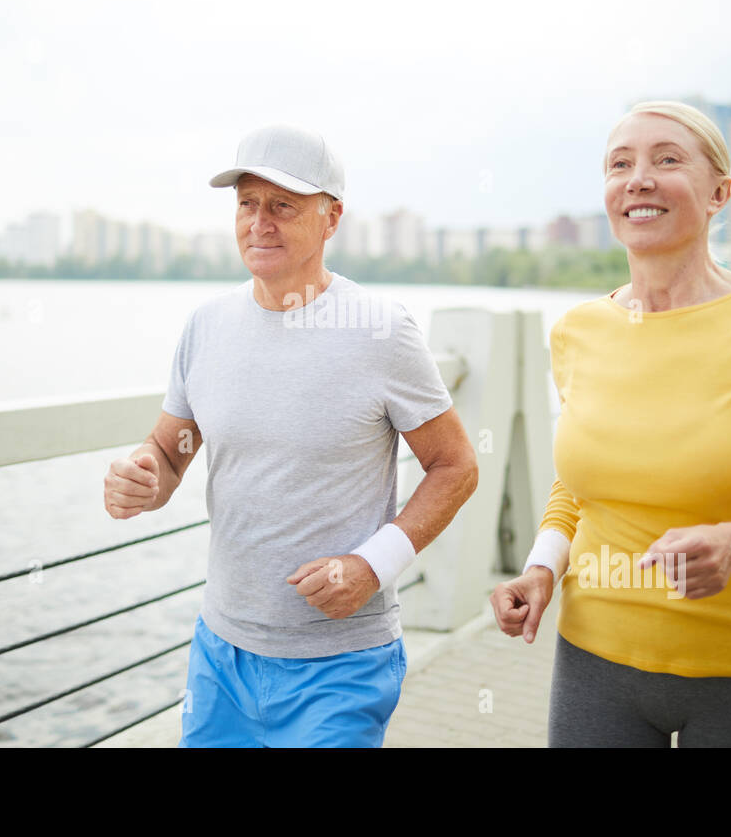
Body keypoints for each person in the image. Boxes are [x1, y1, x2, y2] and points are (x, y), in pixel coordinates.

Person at [490, 101, 731, 747]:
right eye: (619, 164)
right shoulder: (579, 332)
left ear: (721, 192)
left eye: (667, 160)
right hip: (593, 665)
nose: (638, 178)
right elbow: (576, 489)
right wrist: (540, 568)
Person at [104, 123, 478, 747]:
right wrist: (141, 474)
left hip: (341, 665)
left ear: (331, 219)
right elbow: (175, 451)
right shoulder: (206, 326)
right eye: (247, 204)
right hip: (220, 654)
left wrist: (370, 566)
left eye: (283, 206)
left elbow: (456, 466)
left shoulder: (381, 331)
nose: (260, 223)